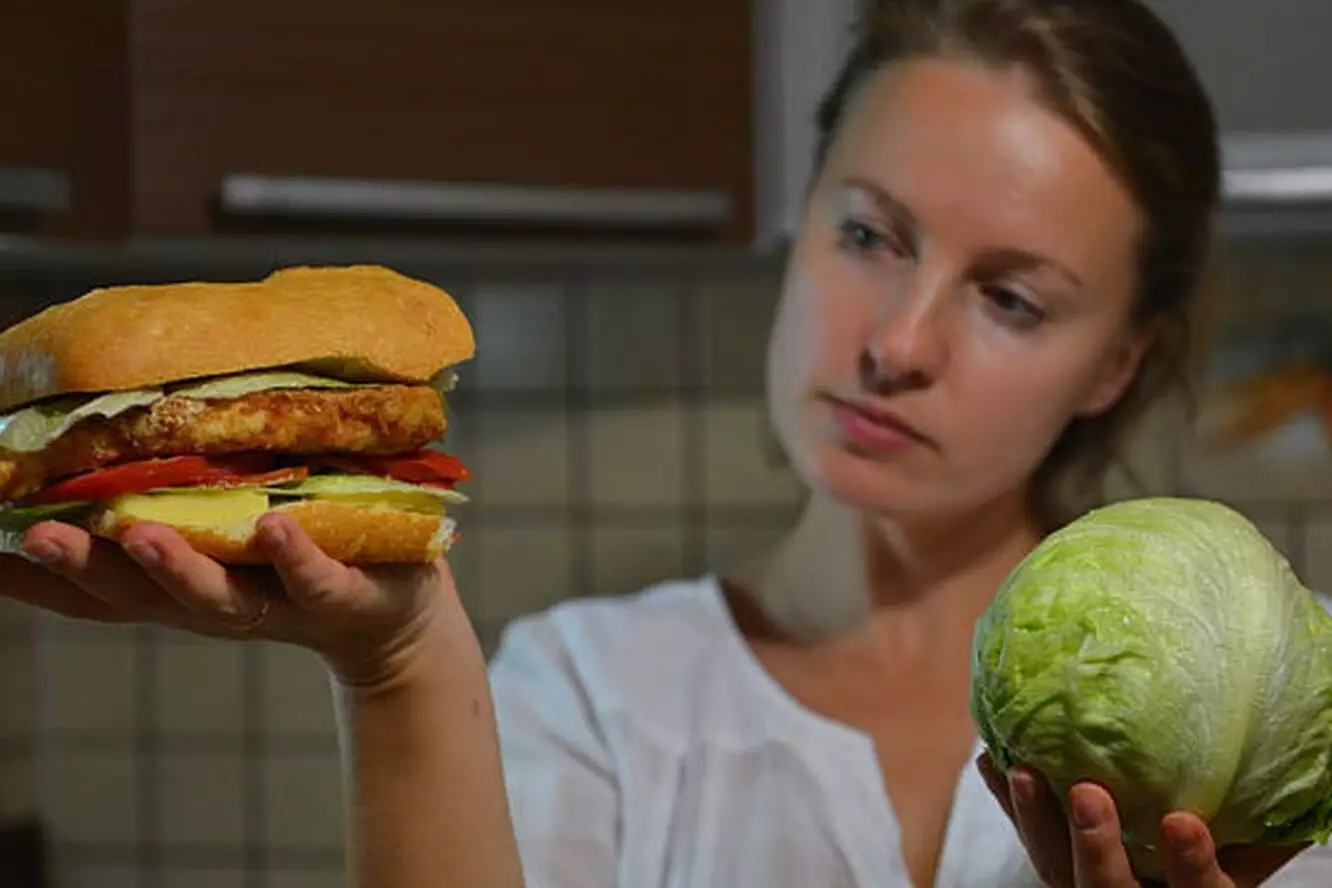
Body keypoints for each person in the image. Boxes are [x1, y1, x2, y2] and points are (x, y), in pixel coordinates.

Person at [3, 0, 1330, 886]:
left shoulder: (1254, 747)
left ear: (1118, 361)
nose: (898, 341)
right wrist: (398, 661)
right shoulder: (592, 695)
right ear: (801, 216)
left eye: (1011, 297)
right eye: (868, 235)